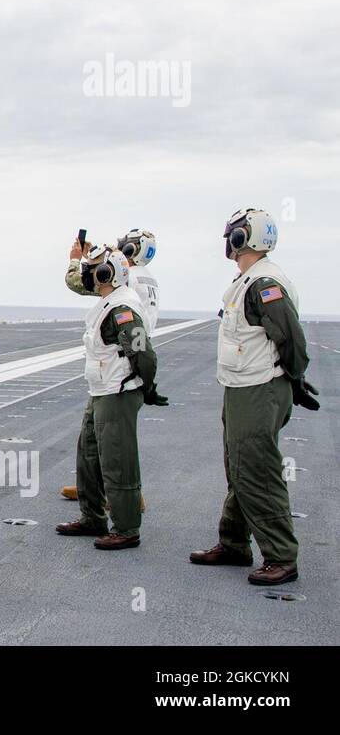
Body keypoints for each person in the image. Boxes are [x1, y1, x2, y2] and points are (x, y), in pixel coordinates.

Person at [189, 208, 318, 586]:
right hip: (243, 387)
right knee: (239, 469)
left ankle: (281, 557)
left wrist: (294, 379)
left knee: (257, 472)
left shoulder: (264, 283)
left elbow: (291, 338)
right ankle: (233, 544)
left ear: (244, 239)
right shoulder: (247, 281)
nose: (229, 240)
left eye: (234, 233)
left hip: (259, 388)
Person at [54, 245, 168, 550]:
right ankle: (92, 517)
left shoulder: (122, 309)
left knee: (118, 460)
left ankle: (127, 528)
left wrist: (148, 387)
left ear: (105, 274)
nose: (87, 275)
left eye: (92, 270)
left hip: (118, 391)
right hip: (102, 390)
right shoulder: (111, 302)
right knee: (89, 454)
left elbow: (143, 353)